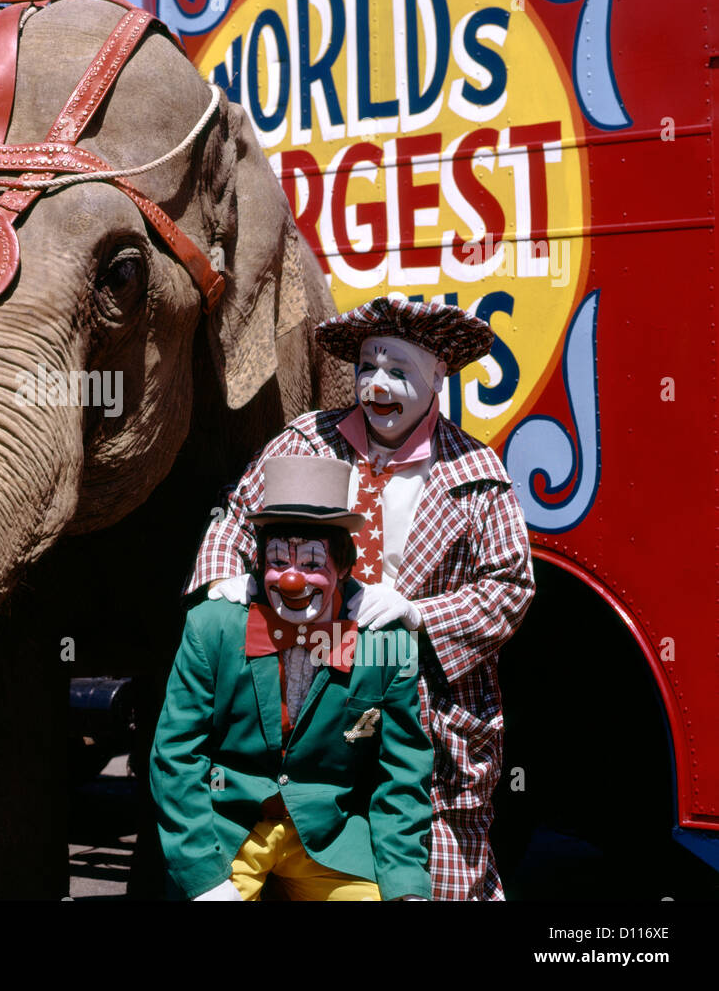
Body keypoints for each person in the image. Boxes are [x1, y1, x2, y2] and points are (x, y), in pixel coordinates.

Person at [187, 296, 534, 901]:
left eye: (399, 371)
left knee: (432, 874)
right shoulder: (307, 440)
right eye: (368, 366)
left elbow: (511, 586)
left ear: (436, 377)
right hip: (315, 694)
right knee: (307, 848)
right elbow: (236, 519)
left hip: (426, 704)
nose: (378, 384)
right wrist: (229, 586)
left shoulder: (475, 470)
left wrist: (419, 613)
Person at [152, 455, 433, 901]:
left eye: (310, 562)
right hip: (228, 833)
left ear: (343, 566)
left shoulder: (386, 641)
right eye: (278, 560)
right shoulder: (213, 625)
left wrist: (406, 886)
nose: (291, 579)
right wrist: (203, 875)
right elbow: (175, 758)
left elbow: (401, 773)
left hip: (331, 840)